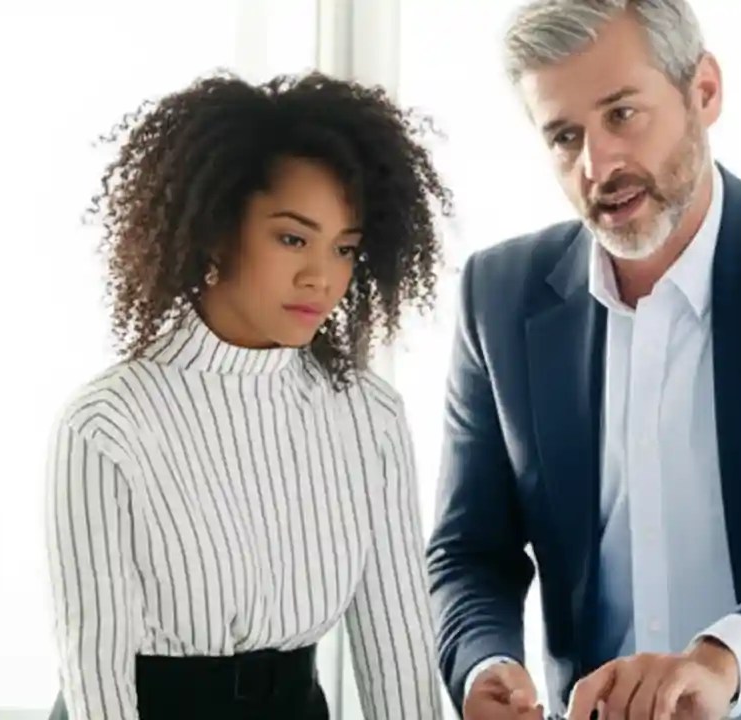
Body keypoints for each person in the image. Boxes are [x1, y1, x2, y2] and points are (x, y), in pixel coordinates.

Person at [426, 1, 741, 718]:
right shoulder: (499, 295)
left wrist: (725, 659)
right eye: (564, 135)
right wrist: (484, 664)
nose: (597, 164)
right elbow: (468, 550)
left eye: (622, 115)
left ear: (703, 91)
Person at [44, 71, 449, 720]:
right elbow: (95, 673)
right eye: (292, 238)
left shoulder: (369, 417)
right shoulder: (107, 425)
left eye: (344, 249)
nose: (322, 276)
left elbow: (397, 649)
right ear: (214, 229)